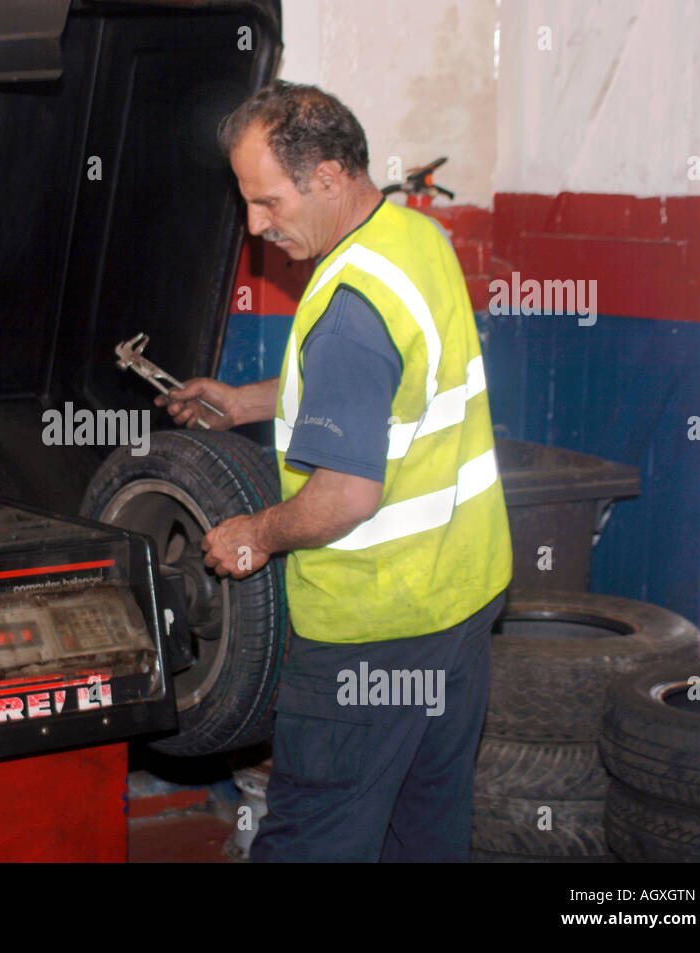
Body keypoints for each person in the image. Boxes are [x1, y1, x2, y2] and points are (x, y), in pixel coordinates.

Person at [156, 81, 512, 862]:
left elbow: (346, 494)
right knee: (421, 832)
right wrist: (247, 401)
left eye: (268, 202)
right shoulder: (411, 238)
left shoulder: (349, 306)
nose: (255, 224)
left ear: (326, 177)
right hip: (458, 607)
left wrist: (255, 532)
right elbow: (379, 390)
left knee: (314, 838)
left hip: (372, 631)